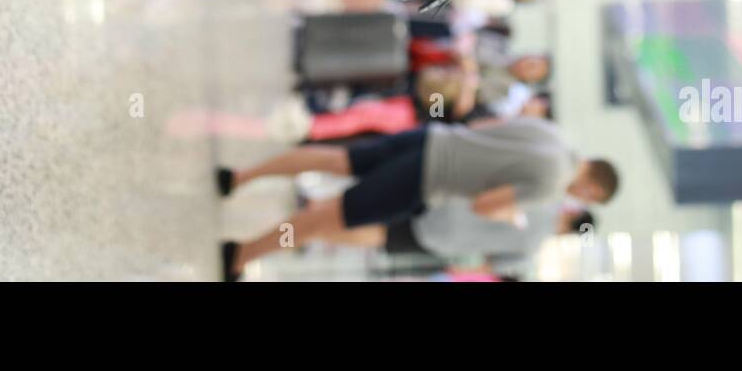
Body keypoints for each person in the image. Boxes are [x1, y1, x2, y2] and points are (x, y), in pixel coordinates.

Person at [214, 116, 616, 280]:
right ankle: (241, 255)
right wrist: (510, 211)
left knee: (336, 159)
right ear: (592, 190)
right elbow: (483, 206)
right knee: (330, 218)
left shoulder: (553, 133)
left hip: (430, 138)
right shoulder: (549, 186)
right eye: (590, 198)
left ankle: (239, 178)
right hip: (427, 179)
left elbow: (482, 123)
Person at [322, 199, 593, 265]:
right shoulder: (532, 250)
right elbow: (488, 264)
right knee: (382, 237)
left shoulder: (539, 200)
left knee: (381, 209)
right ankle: (319, 233)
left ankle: (316, 214)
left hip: (451, 206)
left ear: (572, 213)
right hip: (446, 240)